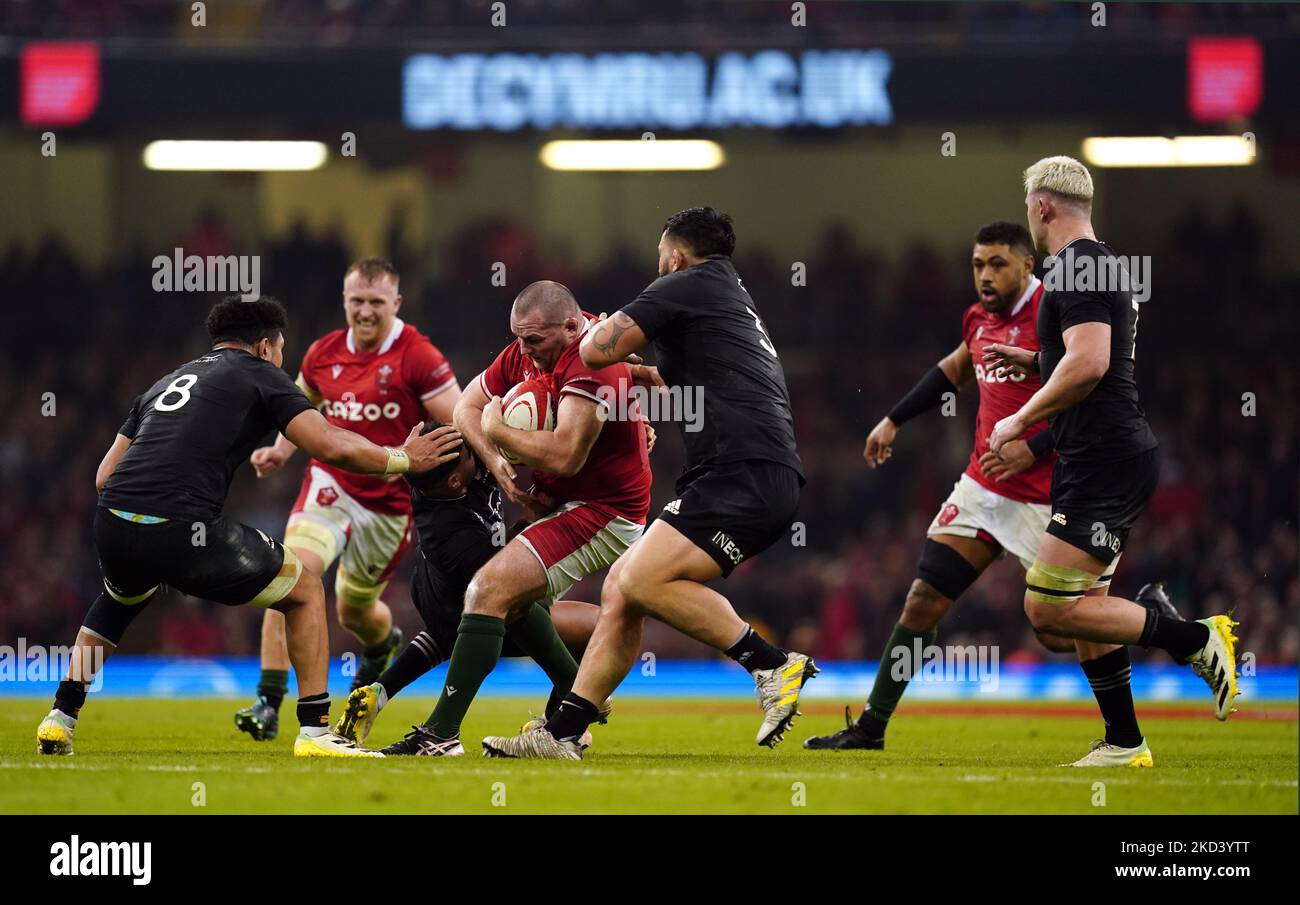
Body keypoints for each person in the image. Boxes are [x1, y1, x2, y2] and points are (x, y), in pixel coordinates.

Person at [35, 296, 461, 758]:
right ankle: (316, 732)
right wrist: (404, 458)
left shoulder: (164, 383)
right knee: (304, 589)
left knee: (117, 602)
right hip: (181, 525)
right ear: (263, 347)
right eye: (280, 350)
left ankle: (60, 717)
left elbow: (104, 477)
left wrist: (149, 537)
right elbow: (329, 444)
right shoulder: (261, 374)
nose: (281, 360)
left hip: (114, 521)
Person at [482, 207, 813, 759]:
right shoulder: (726, 294)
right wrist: (636, 379)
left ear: (676, 257)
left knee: (636, 579)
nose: (658, 268)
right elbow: (680, 376)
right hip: (753, 472)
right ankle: (562, 732)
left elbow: (593, 350)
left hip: (742, 472)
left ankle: (772, 664)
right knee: (622, 590)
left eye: (661, 258)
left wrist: (590, 333)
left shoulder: (684, 285)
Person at [985, 156, 1239, 766]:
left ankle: (1194, 638)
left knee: (1046, 608)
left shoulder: (1076, 266)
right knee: (1080, 614)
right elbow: (1095, 357)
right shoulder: (1101, 263)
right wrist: (1038, 362)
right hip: (1097, 456)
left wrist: (1020, 419)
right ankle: (1124, 740)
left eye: (1028, 208)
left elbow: (1093, 362)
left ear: (1041, 206)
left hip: (1106, 461)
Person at [361, 280, 651, 757]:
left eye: (533, 339)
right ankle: (568, 718)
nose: (523, 350)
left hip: (603, 510)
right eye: (517, 337)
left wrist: (497, 431)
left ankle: (442, 734)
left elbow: (565, 457)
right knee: (515, 603)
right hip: (563, 501)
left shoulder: (591, 363)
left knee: (489, 589)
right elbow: (465, 406)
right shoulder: (534, 347)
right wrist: (497, 464)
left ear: (571, 327)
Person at [234, 257, 460, 742]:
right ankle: (268, 702)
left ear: (396, 303)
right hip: (330, 486)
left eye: (376, 301)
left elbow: (459, 420)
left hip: (389, 506)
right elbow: (299, 408)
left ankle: (380, 645)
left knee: (353, 610)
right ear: (344, 301)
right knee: (289, 575)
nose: (365, 310)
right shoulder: (324, 353)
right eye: (357, 300)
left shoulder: (418, 356)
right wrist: (279, 452)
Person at [332, 423, 608, 751]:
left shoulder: (440, 474)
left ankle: (379, 692)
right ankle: (561, 714)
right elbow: (506, 586)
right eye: (468, 453)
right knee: (586, 624)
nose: (475, 451)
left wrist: (619, 432)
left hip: (438, 590)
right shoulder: (453, 534)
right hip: (460, 604)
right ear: (454, 481)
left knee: (450, 630)